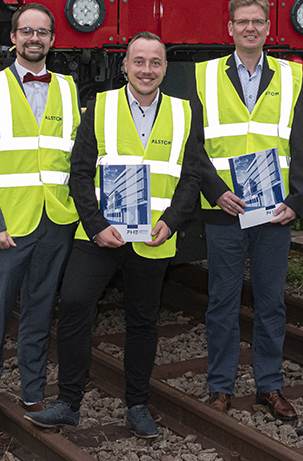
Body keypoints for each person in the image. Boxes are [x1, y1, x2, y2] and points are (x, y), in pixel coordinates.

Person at [27, 33, 205, 440]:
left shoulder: (184, 113)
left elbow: (191, 176)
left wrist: (172, 222)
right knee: (73, 304)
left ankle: (138, 404)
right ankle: (69, 403)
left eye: (155, 63)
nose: (146, 70)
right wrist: (94, 226)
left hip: (153, 238)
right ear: (124, 66)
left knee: (143, 320)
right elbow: (80, 172)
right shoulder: (100, 107)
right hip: (100, 235)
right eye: (138, 62)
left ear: (165, 68)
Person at [0, 3, 80, 458]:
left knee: (39, 316)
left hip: (55, 221)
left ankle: (31, 396)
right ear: (13, 38)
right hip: (8, 227)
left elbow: (75, 158)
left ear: (52, 41)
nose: (34, 38)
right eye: (26, 31)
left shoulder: (67, 88)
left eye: (42, 32)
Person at [188, 0, 303, 420]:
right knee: (222, 301)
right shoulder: (204, 76)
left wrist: (297, 200)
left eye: (258, 21)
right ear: (230, 28)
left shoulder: (292, 77)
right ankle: (220, 387)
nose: (251, 28)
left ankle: (269, 387)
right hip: (225, 210)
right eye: (243, 22)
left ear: (268, 27)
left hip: (275, 212)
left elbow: (300, 143)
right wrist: (216, 191)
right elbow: (195, 146)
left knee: (272, 303)